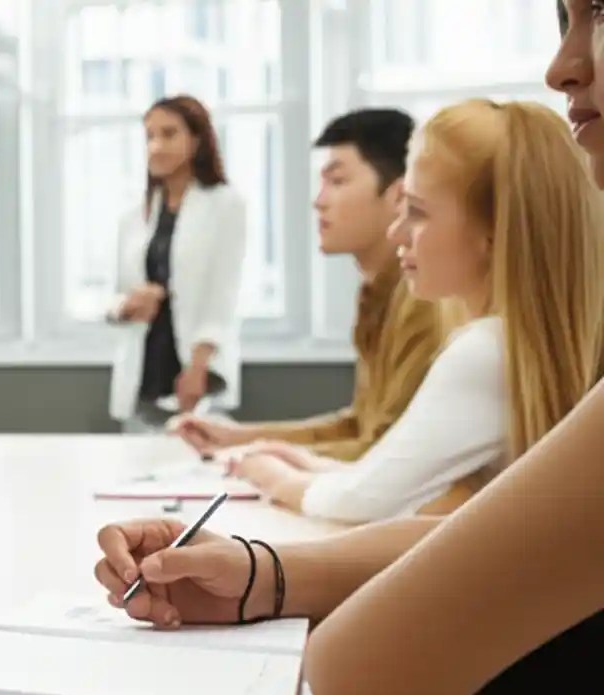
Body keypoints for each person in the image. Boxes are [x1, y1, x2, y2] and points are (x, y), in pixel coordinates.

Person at [93, 5, 604, 695]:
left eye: (599, 11)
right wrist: (260, 571)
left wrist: (272, 494)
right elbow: (465, 523)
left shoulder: (471, 341)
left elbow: (354, 671)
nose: (561, 67)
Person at [221, 98, 604, 524]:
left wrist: (272, 476)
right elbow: (397, 477)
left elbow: (363, 501)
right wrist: (312, 465)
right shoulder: (514, 341)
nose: (396, 231)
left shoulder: (484, 351)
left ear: (494, 233)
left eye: (417, 213)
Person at [171, 109, 444, 460]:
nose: (319, 200)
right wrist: (238, 439)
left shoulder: (424, 300)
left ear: (397, 197)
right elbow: (359, 424)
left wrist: (255, 457)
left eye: (338, 181)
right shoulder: (378, 292)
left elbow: (384, 451)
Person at [107, 95, 247, 432]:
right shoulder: (134, 216)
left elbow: (223, 295)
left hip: (193, 370)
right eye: (150, 136)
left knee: (195, 472)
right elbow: (115, 296)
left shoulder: (225, 205)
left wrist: (198, 367)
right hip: (142, 373)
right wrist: (128, 306)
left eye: (169, 134)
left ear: (197, 140)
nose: (156, 146)